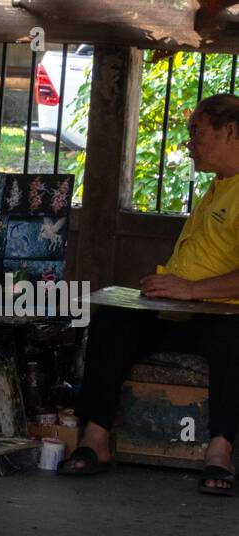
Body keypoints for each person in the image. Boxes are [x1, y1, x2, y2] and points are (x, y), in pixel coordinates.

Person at [60, 93, 239, 495]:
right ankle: (96, 438)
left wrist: (191, 290)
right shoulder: (216, 188)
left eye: (196, 132)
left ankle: (220, 450)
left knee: (235, 339)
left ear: (229, 131)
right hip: (181, 310)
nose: (189, 142)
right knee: (112, 319)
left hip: (224, 317)